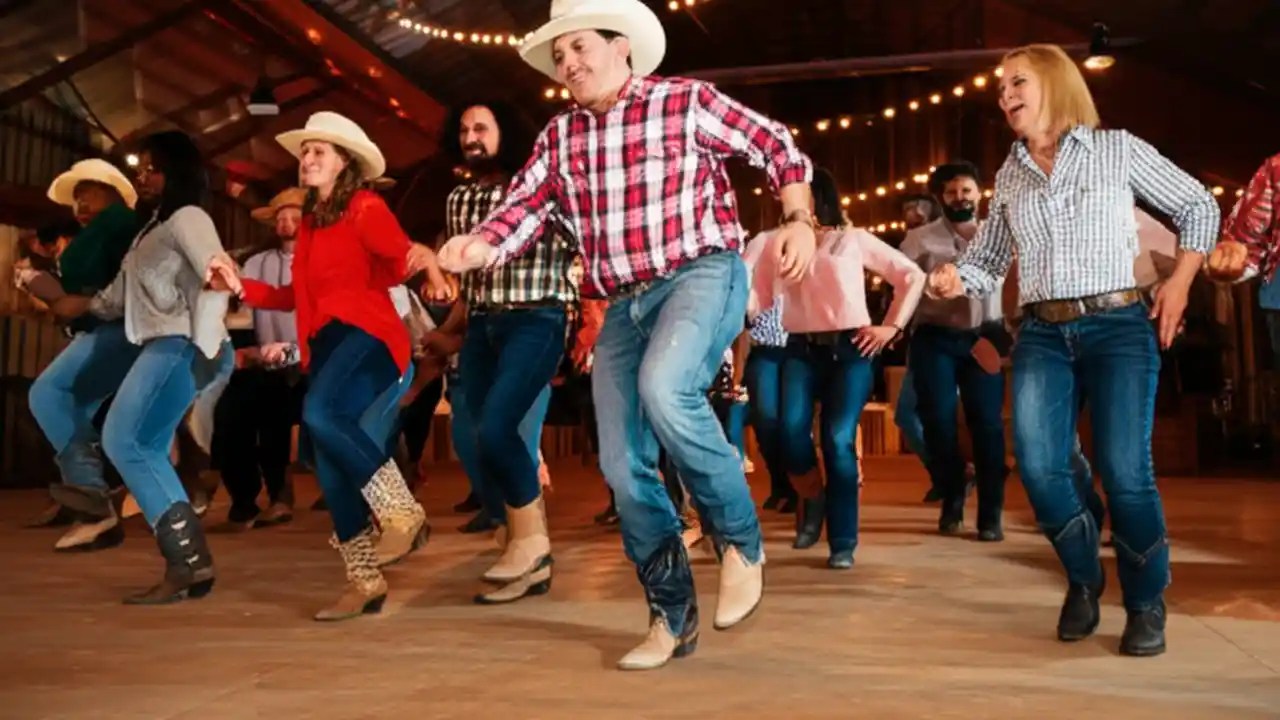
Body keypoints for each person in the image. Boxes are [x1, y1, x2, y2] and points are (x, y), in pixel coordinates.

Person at [436, 0, 816, 670]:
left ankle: (739, 540)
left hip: (702, 272)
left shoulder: (683, 101)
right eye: (558, 57)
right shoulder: (560, 138)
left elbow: (774, 145)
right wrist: (479, 246)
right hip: (623, 304)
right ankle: (671, 615)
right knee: (621, 466)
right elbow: (522, 207)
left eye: (579, 47)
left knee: (666, 388)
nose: (568, 64)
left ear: (622, 47)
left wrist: (799, 218)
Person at [926, 44, 1219, 656]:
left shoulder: (1116, 150)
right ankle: (1084, 580)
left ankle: (1145, 600)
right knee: (1037, 465)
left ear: (1054, 82)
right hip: (1042, 333)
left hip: (1119, 327)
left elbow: (1199, 205)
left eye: (1017, 83)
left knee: (1125, 471)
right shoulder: (1008, 174)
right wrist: (958, 276)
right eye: (1001, 87)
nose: (1005, 95)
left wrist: (1180, 282)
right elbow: (987, 259)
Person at [209, 111, 453, 620]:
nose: (308, 159)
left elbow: (401, 253)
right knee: (327, 457)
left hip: (370, 337)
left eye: (320, 151)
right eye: (304, 152)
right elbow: (288, 296)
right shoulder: (313, 225)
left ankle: (403, 513)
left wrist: (429, 265)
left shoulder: (364, 207)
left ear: (345, 162)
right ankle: (364, 580)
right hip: (328, 347)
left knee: (319, 415)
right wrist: (237, 287)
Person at [746, 168, 925, 567]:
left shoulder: (852, 240)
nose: (788, 202)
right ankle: (812, 499)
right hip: (798, 349)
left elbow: (910, 275)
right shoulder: (777, 243)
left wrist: (891, 328)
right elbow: (753, 297)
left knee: (838, 439)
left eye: (798, 195)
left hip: (851, 349)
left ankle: (842, 541)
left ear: (818, 197)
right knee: (788, 433)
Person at [25, 159, 140, 552]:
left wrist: (60, 292)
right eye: (75, 199)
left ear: (108, 189)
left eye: (85, 193)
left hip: (114, 327)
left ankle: (92, 496)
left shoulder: (118, 223)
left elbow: (106, 284)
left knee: (48, 394)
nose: (79, 204)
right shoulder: (106, 230)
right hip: (104, 326)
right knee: (73, 403)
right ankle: (91, 496)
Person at [900, 161, 1010, 541]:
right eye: (950, 193)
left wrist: (1008, 337)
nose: (959, 198)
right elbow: (903, 285)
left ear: (980, 193)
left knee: (988, 424)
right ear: (939, 197)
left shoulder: (997, 235)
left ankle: (991, 513)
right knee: (938, 421)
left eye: (966, 191)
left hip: (984, 336)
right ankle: (953, 494)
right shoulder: (919, 240)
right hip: (936, 338)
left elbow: (1017, 287)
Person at [210, 188, 308, 530]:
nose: (286, 223)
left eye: (294, 216)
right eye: (280, 217)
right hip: (270, 359)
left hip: (316, 357)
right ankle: (271, 497)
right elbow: (244, 312)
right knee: (261, 421)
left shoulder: (321, 260)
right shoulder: (257, 263)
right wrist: (250, 348)